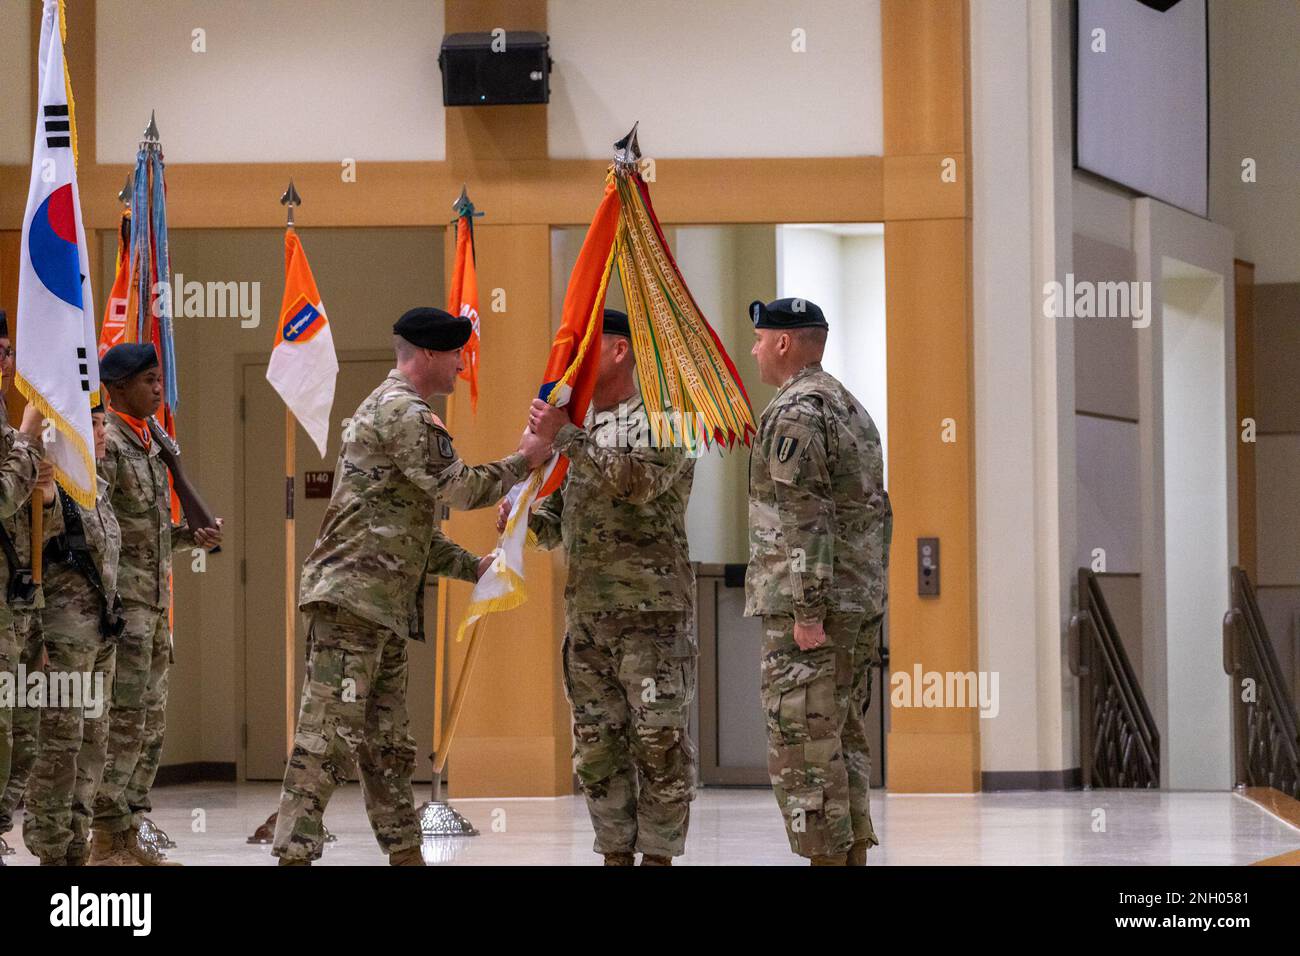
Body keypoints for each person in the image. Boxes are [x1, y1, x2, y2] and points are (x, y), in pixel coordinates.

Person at [271, 307, 553, 866]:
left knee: (389, 746)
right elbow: (460, 490)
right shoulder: (403, 411)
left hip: (382, 606)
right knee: (327, 738)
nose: (460, 365)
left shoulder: (402, 409)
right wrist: (525, 459)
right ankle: (294, 855)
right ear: (427, 354)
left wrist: (471, 566)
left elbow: (407, 529)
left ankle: (405, 854)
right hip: (354, 600)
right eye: (454, 355)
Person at [513, 309, 698, 866]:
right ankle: (614, 853)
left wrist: (563, 436)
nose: (575, 366)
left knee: (658, 744)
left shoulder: (666, 421)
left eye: (588, 350)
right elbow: (564, 516)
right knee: (597, 749)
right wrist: (524, 516)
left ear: (619, 352)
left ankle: (659, 857)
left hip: (651, 618)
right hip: (589, 617)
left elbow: (635, 483)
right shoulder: (585, 429)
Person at [743, 297, 892, 866]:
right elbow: (880, 511)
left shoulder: (796, 412)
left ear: (784, 342)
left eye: (760, 339)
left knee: (804, 746)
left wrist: (808, 609)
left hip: (813, 610)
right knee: (843, 740)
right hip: (853, 603)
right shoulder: (850, 408)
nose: (755, 349)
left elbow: (806, 519)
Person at [89, 343, 223, 866]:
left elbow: (145, 534)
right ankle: (105, 839)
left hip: (155, 607)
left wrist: (192, 536)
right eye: (147, 380)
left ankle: (130, 832)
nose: (157, 388)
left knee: (148, 725)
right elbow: (100, 526)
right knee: (121, 723)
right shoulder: (109, 443)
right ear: (117, 388)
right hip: (125, 609)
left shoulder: (150, 444)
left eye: (158, 379)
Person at [24, 404, 122, 866]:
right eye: (93, 425)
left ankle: (76, 846)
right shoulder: (54, 491)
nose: (102, 433)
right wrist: (35, 637)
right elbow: (34, 557)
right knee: (59, 750)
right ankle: (49, 850)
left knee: (92, 748)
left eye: (103, 425)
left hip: (99, 640)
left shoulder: (96, 490)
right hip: (61, 641)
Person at [0, 401, 47, 868]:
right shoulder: (17, 438)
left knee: (21, 734)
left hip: (18, 607)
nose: (5, 362)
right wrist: (26, 442)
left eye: (7, 351)